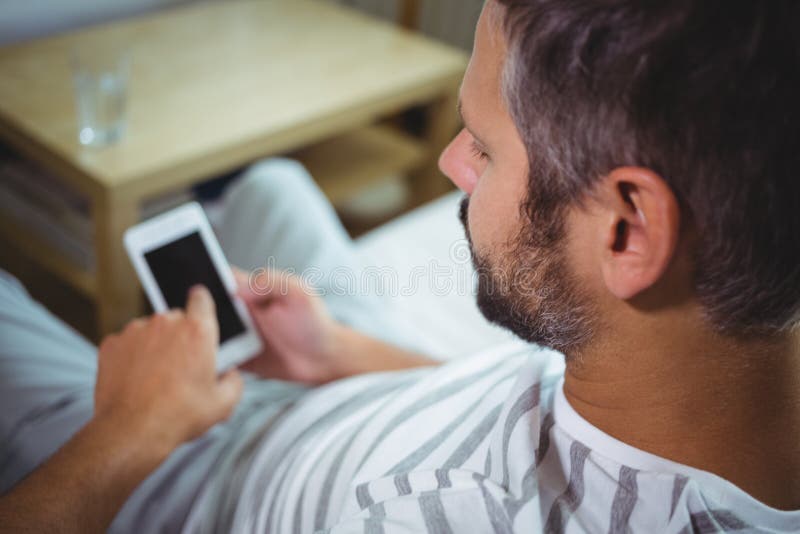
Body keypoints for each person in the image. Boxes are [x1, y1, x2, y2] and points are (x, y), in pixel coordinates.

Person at [2, 0, 800, 532]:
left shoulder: (412, 513)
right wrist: (339, 356)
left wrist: (134, 427)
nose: (454, 162)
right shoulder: (665, 367)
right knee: (273, 184)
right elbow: (529, 408)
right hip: (362, 388)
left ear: (627, 233)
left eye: (483, 147)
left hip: (216, 479)